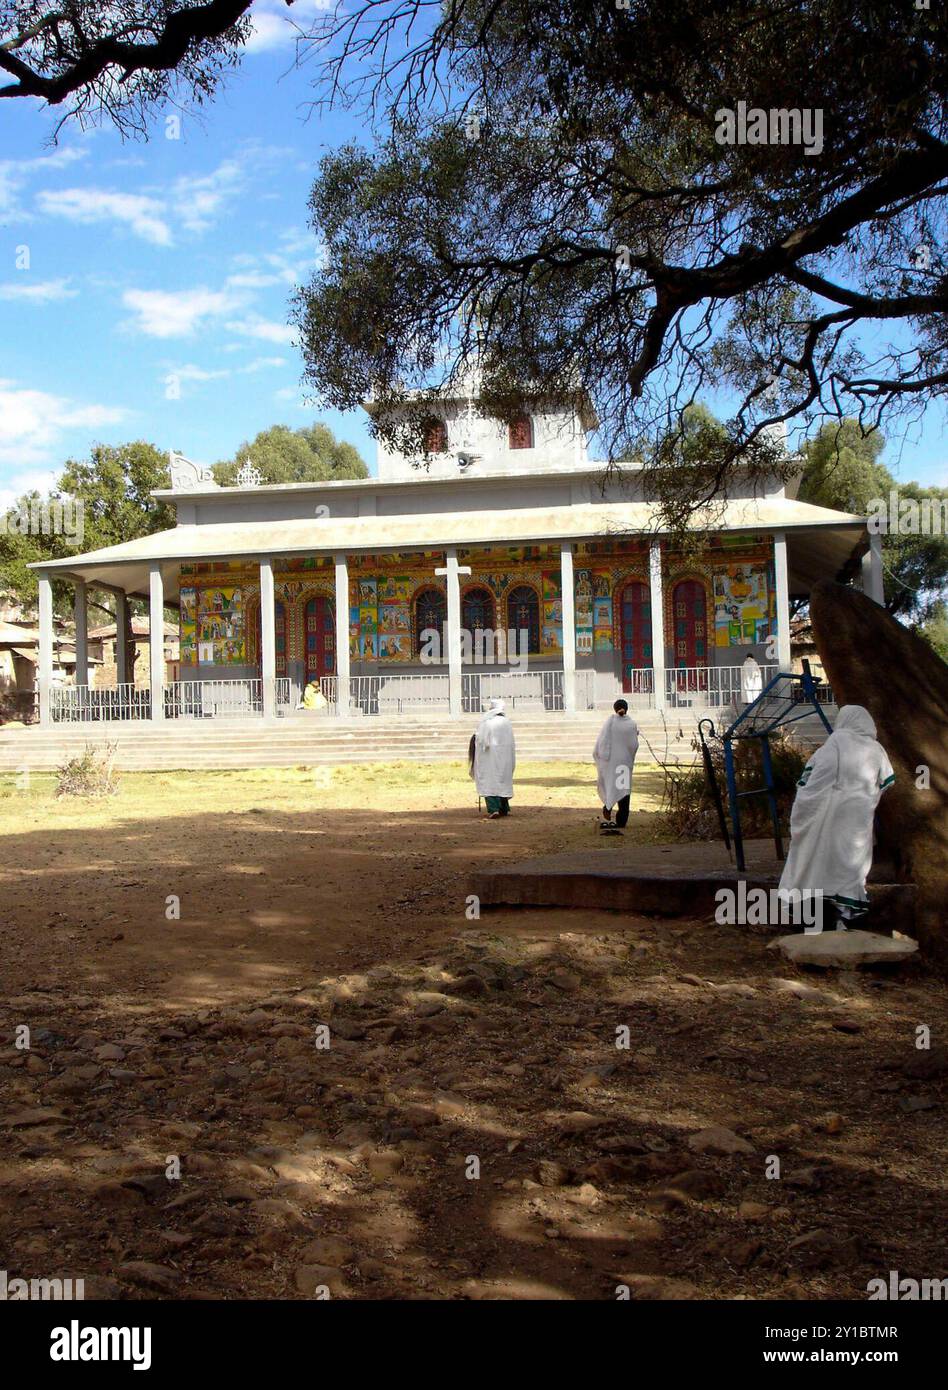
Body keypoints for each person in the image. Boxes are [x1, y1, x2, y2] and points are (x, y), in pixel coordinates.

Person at [778, 704, 895, 930]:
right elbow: (887, 782)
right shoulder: (877, 750)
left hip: (823, 819)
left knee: (818, 860)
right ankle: (845, 914)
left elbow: (806, 783)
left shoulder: (829, 749)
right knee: (850, 866)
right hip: (857, 821)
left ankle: (815, 917)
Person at [594, 698, 639, 829]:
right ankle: (622, 820)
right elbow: (634, 744)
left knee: (611, 786)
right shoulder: (632, 724)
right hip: (625, 762)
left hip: (611, 762)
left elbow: (602, 741)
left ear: (614, 708)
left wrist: (600, 755)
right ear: (627, 708)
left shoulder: (610, 722)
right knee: (624, 790)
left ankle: (608, 806)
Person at [472, 697, 516, 819]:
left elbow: (481, 739)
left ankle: (493, 809)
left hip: (489, 757)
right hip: (505, 756)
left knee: (490, 780)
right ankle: (504, 808)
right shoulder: (506, 722)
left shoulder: (487, 722)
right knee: (502, 779)